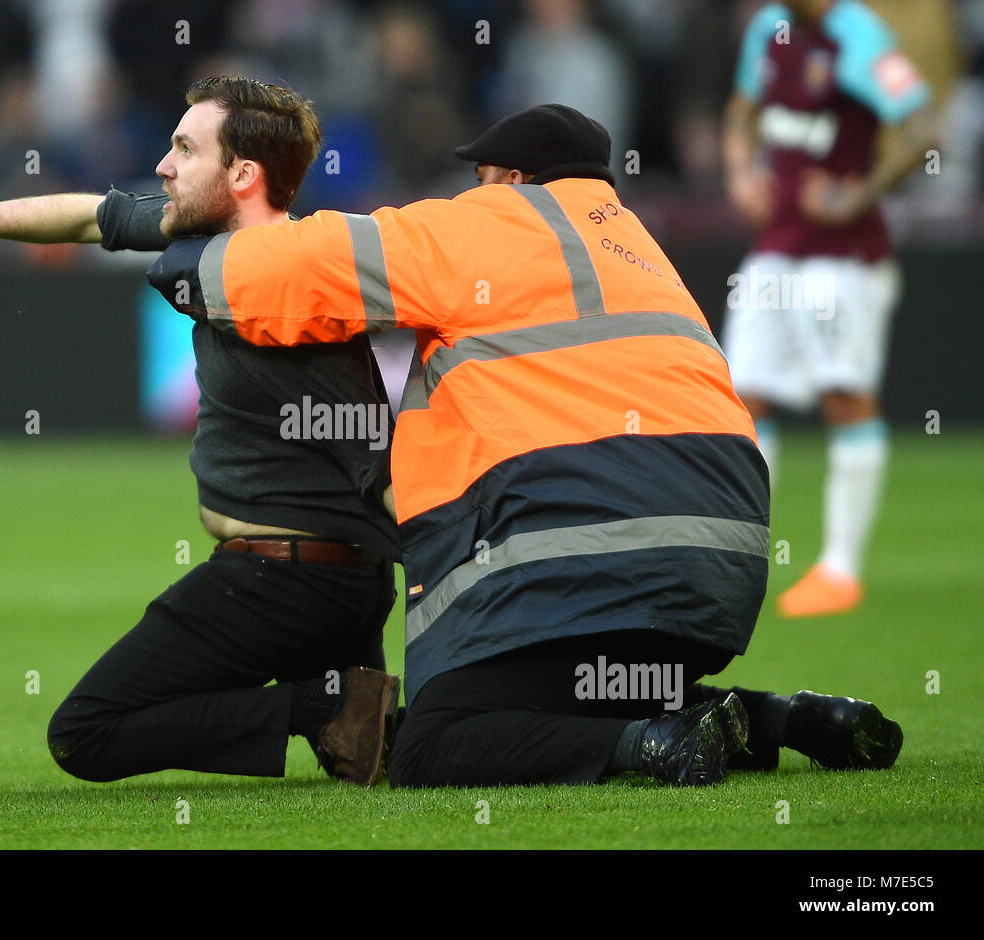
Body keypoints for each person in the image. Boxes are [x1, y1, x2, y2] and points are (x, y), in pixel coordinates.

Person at [147, 102, 904, 787]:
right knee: (557, 690)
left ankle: (650, 746)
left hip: (580, 554)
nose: (473, 190)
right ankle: (785, 717)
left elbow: (275, 272)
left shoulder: (477, 225)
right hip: (722, 567)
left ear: (510, 178)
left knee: (435, 742)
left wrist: (161, 240)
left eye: (481, 177)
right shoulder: (643, 252)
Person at [0, 76, 402, 787]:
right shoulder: (211, 242)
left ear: (242, 174)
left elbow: (371, 450)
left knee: (85, 733)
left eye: (183, 149)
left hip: (287, 583)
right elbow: (90, 220)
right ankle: (369, 710)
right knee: (374, 760)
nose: (164, 166)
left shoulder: (291, 285)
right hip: (329, 580)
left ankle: (326, 701)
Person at [722, 0, 938, 617]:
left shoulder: (859, 36)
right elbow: (741, 109)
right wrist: (740, 169)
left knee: (845, 397)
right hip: (775, 249)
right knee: (740, 400)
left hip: (843, 260)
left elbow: (925, 128)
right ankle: (742, 557)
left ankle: (841, 569)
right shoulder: (767, 28)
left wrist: (858, 195)